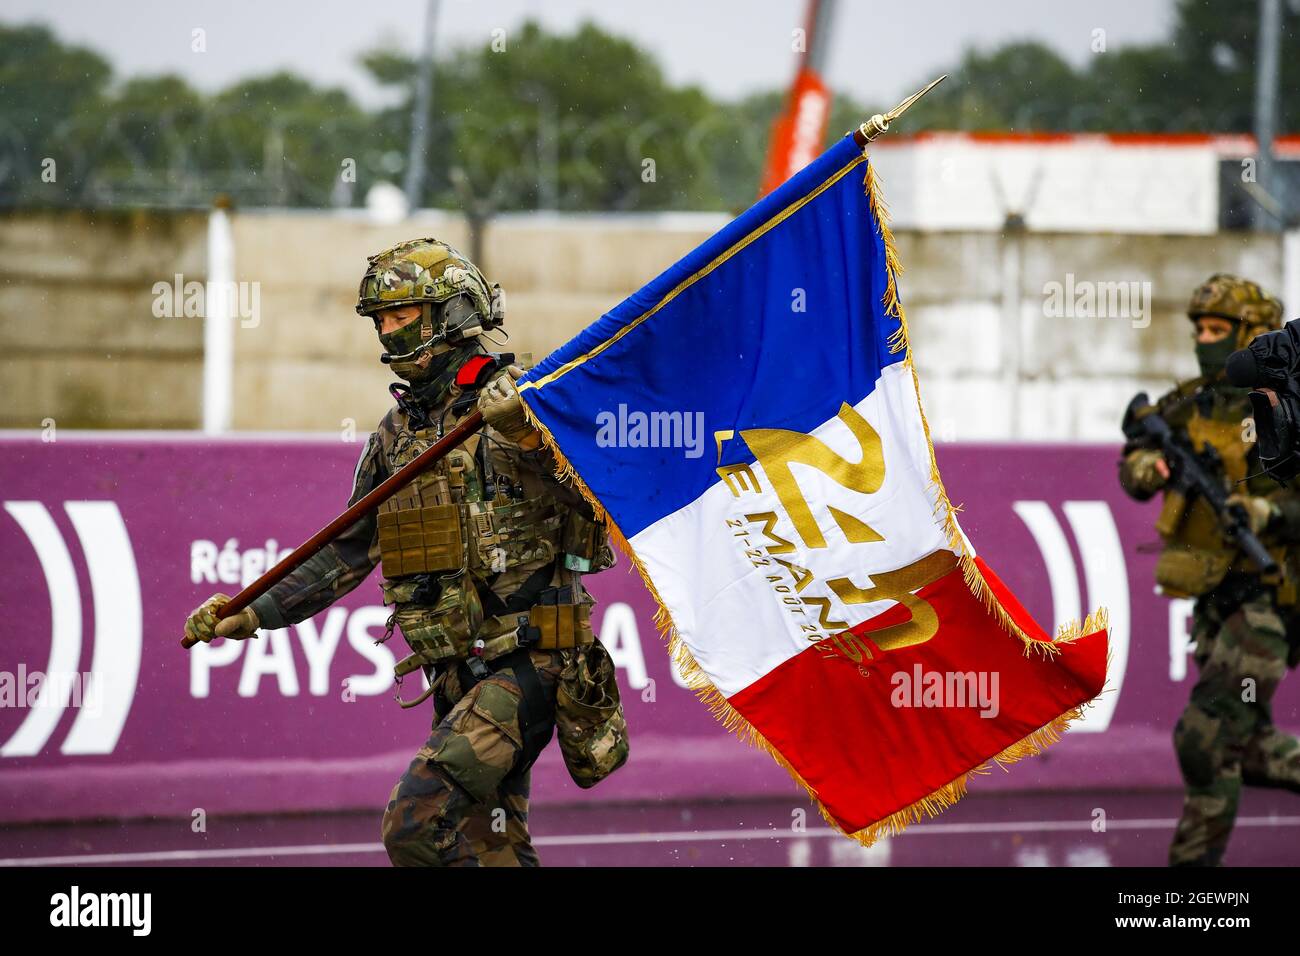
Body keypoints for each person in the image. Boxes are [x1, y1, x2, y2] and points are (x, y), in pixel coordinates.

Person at [184, 238, 629, 866]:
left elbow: (598, 497)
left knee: (413, 825)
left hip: (532, 664)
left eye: (404, 317)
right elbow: (346, 550)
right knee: (494, 846)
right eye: (382, 321)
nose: (390, 332)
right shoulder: (396, 436)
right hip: (457, 673)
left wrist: (526, 435)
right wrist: (254, 613)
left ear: (450, 314)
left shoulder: (527, 402)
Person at [1119, 273, 1300, 866]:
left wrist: (1267, 508)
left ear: (1252, 334)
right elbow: (1134, 452)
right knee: (1241, 748)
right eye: (1199, 329)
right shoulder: (1192, 403)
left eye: (1218, 330)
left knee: (1204, 732)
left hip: (1270, 600)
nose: (1204, 339)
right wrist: (1147, 466)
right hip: (1215, 601)